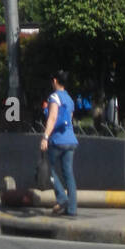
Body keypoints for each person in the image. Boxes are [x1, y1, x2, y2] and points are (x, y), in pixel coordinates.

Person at [40, 71, 78, 217]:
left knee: (50, 170)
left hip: (57, 140)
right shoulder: (69, 99)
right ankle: (72, 209)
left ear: (55, 81)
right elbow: (70, 118)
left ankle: (62, 198)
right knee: (69, 174)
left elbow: (53, 118)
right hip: (71, 140)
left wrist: (45, 137)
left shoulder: (54, 97)